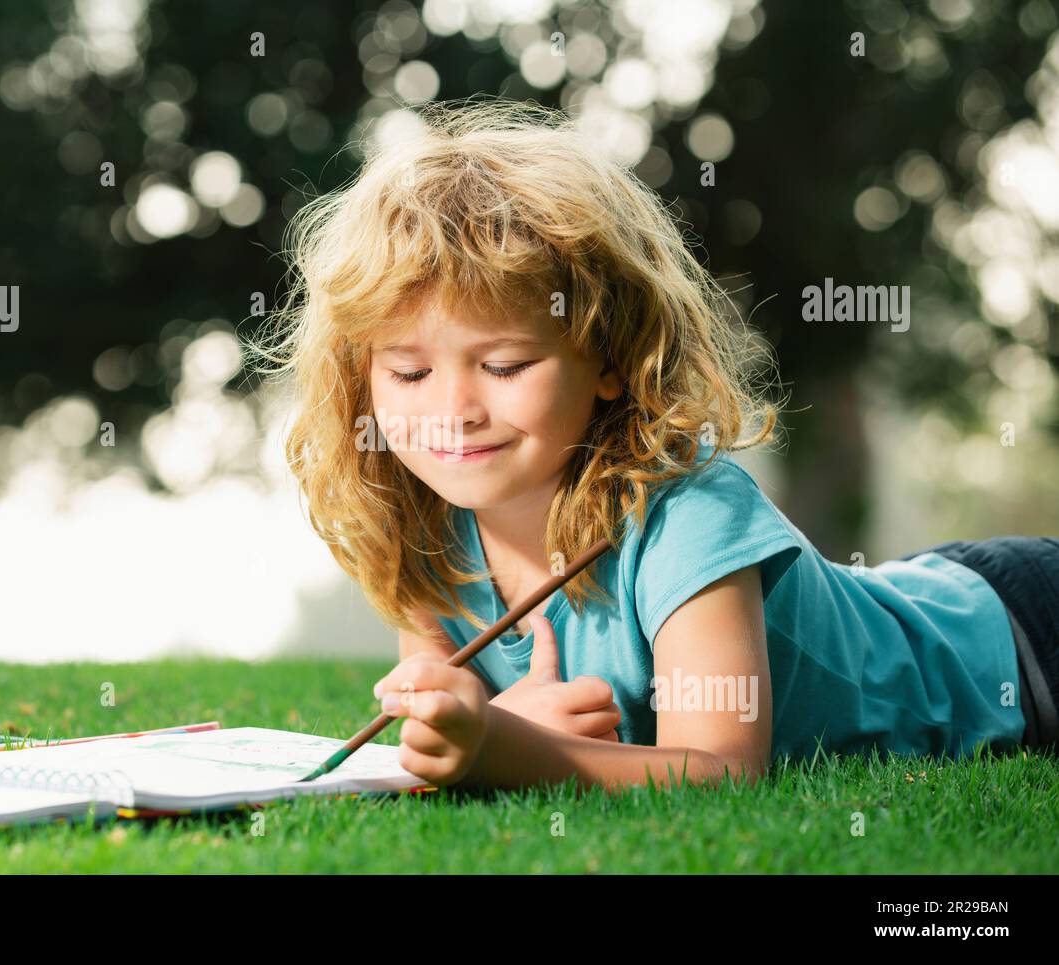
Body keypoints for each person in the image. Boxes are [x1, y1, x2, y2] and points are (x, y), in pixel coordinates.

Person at [246, 98, 1058, 791]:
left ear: (607, 356)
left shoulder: (687, 510)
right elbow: (448, 720)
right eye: (410, 371)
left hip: (1019, 636)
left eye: (503, 364)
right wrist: (481, 728)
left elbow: (722, 767)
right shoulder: (425, 527)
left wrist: (507, 745)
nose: (453, 410)